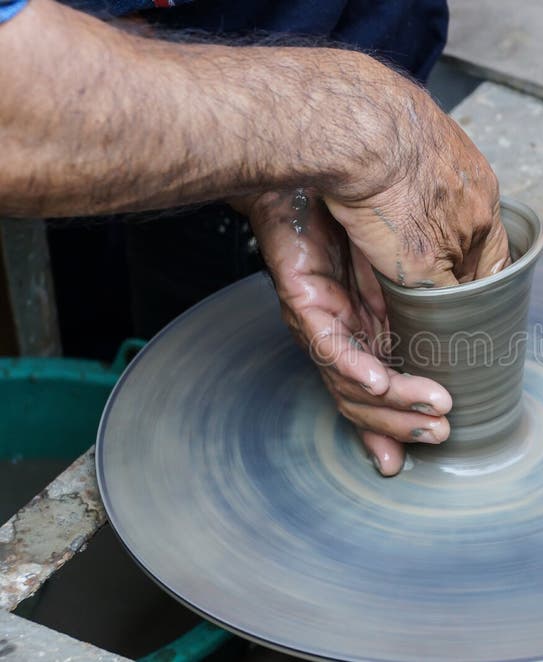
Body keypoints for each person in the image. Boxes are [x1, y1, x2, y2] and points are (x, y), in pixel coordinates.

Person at [0, 0, 510, 476]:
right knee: (185, 412)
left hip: (346, 51)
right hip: (129, 93)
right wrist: (349, 124)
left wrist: (291, 179)